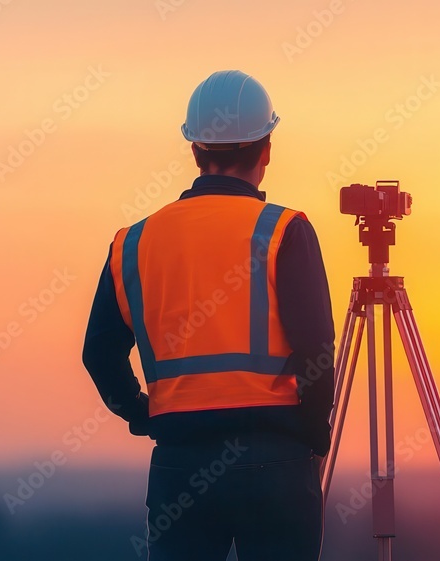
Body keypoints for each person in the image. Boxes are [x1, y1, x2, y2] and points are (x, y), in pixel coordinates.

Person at [81, 69, 334, 560]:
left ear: (195, 150)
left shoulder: (132, 242)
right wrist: (311, 434)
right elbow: (316, 351)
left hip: (180, 464)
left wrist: (141, 413)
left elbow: (99, 354)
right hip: (275, 460)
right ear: (266, 150)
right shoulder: (284, 230)